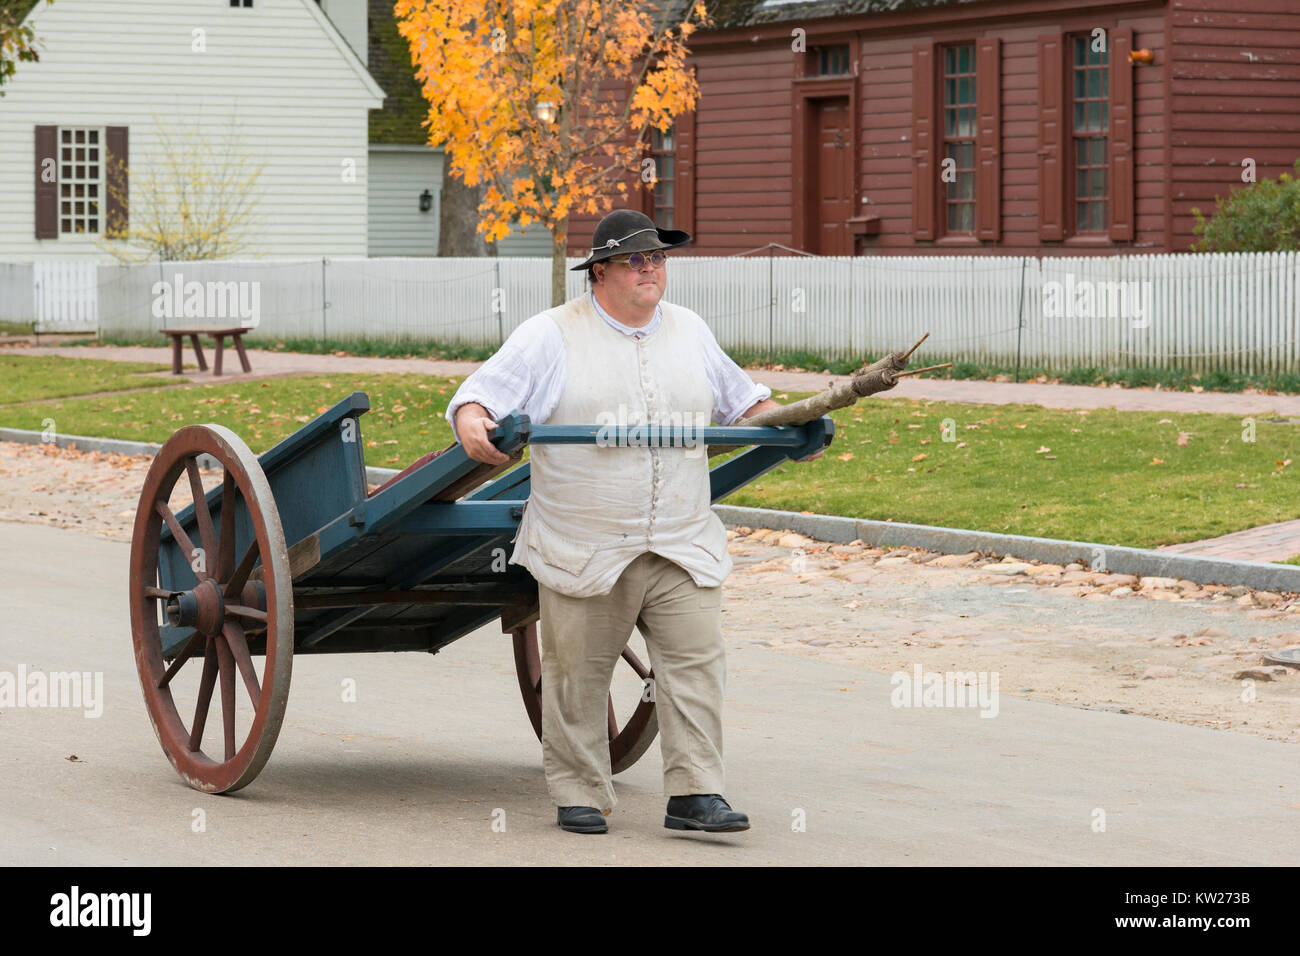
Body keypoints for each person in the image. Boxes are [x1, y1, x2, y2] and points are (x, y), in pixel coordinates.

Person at [446, 208, 822, 834]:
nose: (651, 268)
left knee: (698, 664)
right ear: (599, 272)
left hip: (681, 537)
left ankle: (696, 792)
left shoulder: (690, 330)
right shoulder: (551, 334)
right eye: (635, 259)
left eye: (659, 258)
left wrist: (797, 422)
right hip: (586, 541)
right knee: (577, 673)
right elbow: (479, 395)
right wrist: (473, 421)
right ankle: (578, 791)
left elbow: (746, 403)